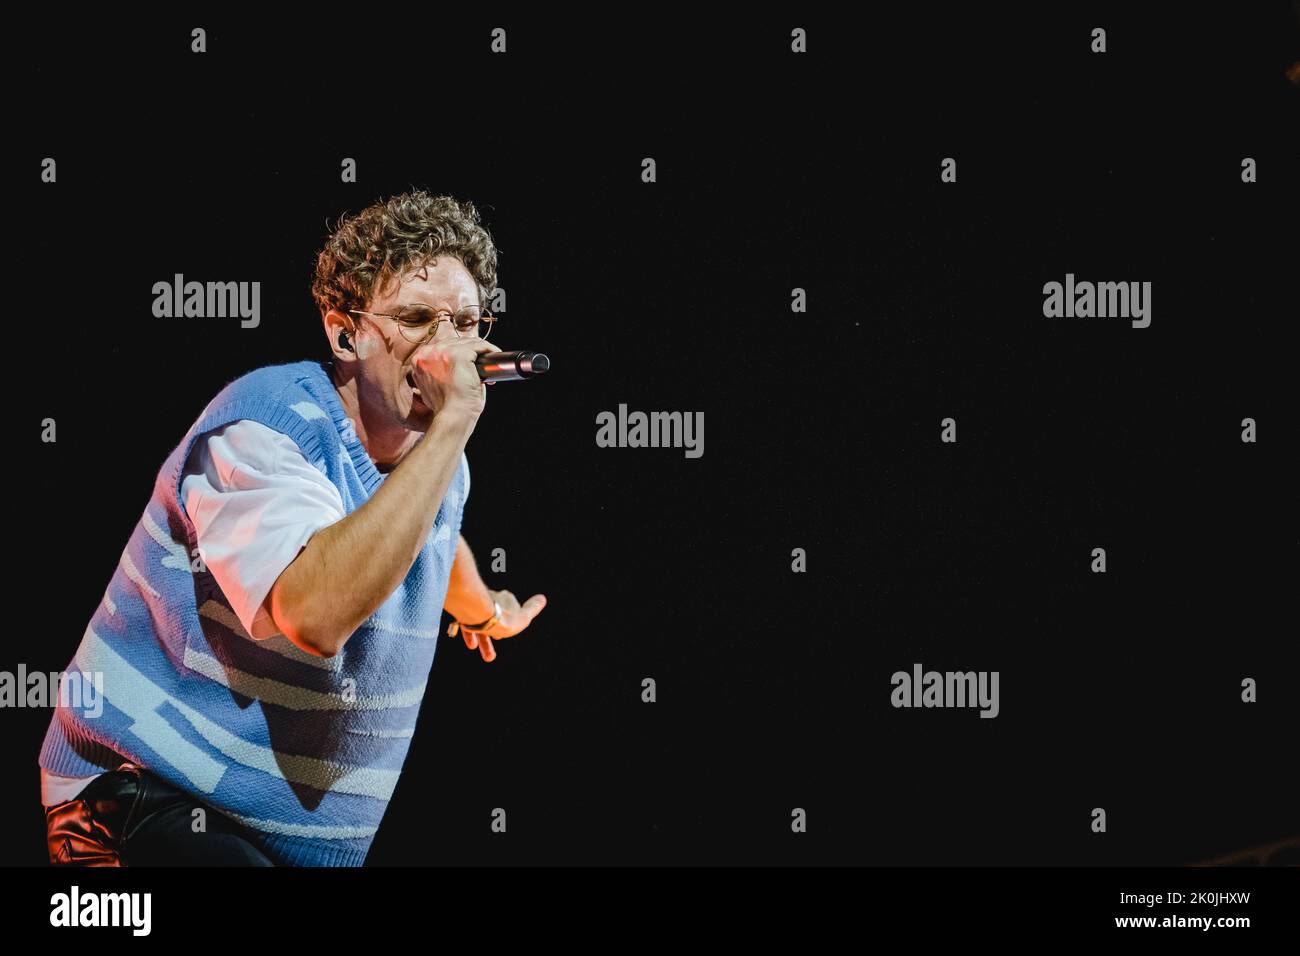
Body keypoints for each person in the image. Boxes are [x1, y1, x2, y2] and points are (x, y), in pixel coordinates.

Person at [38, 191, 547, 866]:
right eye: (419, 320)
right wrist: (454, 422)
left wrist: (484, 609)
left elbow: (433, 539)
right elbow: (312, 614)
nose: (447, 349)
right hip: (138, 804)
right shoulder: (265, 427)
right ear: (344, 334)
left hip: (272, 841)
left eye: (464, 322)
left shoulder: (438, 469)